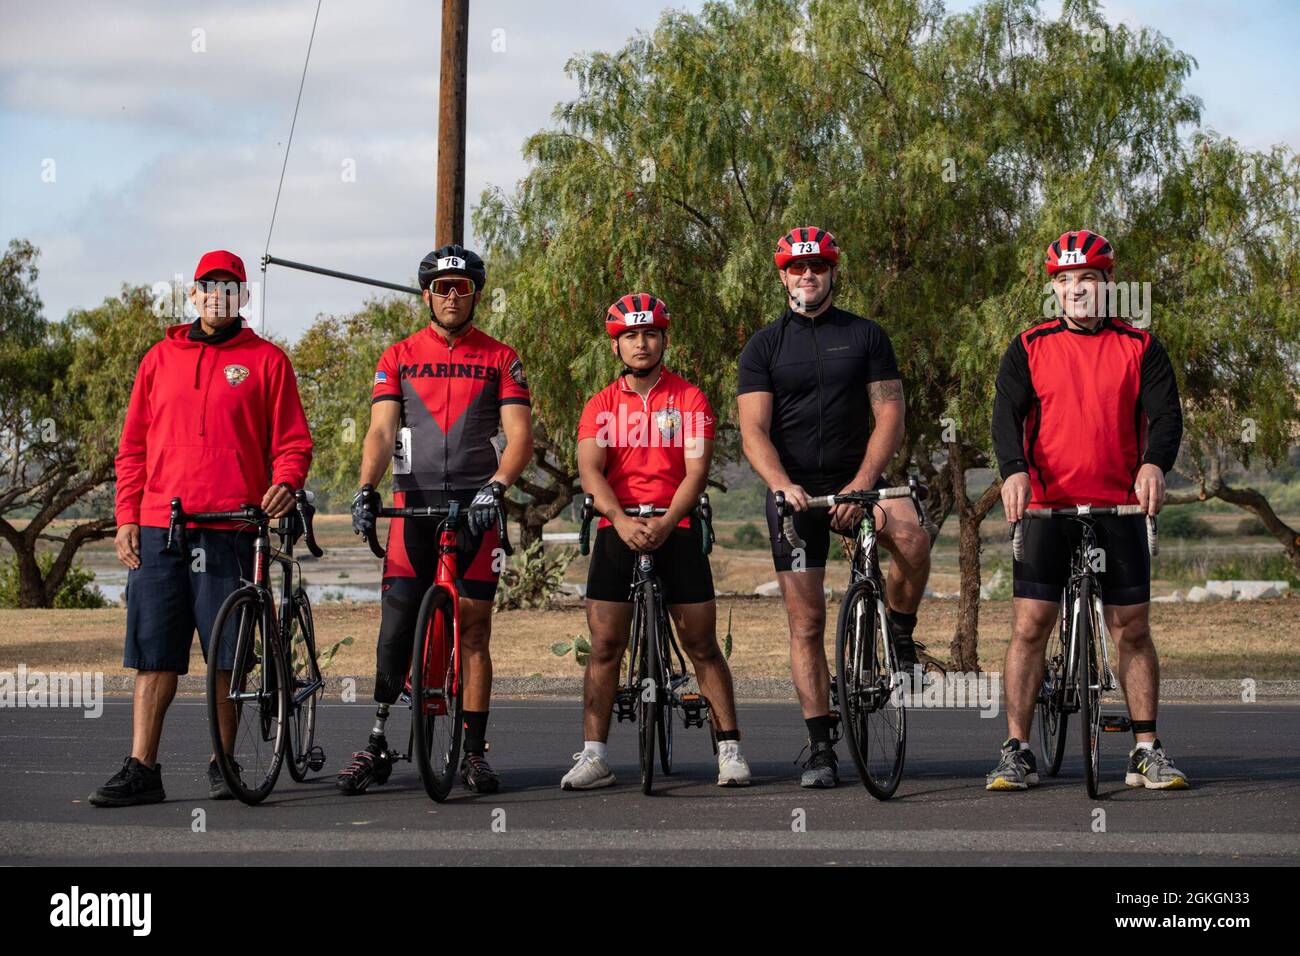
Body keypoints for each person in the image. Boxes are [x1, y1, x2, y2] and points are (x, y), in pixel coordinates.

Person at [92, 249, 313, 806]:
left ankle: (224, 762)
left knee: (227, 656)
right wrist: (126, 517)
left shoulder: (267, 361)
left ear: (243, 297)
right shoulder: (158, 359)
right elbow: (132, 449)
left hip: (232, 526)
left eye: (230, 287)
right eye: (208, 286)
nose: (218, 295)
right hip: (159, 527)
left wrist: (286, 480)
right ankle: (143, 769)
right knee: (153, 655)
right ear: (192, 294)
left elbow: (292, 442)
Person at [987, 229, 1188, 791]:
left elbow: (1165, 416)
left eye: (1089, 279)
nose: (1078, 289)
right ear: (1054, 289)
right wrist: (1014, 471)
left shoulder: (1141, 346)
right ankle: (1017, 748)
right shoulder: (1028, 346)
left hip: (1118, 507)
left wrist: (1153, 465)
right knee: (1030, 625)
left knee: (1132, 629)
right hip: (1047, 507)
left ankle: (1146, 750)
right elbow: (1006, 416)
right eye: (1066, 280)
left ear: (1108, 285)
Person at [736, 227, 930, 789]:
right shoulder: (764, 346)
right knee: (807, 623)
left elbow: (889, 415)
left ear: (833, 272)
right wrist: (781, 484)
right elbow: (753, 430)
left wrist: (862, 481)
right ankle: (821, 746)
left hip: (859, 482)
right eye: (796, 269)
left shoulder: (866, 335)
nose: (807, 275)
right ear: (782, 276)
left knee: (914, 538)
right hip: (796, 494)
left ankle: (898, 630)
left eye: (817, 266)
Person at [340, 245, 533, 795]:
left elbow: (520, 437)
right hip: (413, 510)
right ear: (426, 294)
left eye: (463, 286)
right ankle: (377, 740)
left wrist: (496, 489)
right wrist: (364, 489)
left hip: (477, 507)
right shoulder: (397, 355)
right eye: (442, 287)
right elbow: (380, 431)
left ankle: (472, 752)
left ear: (475, 293)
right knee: (396, 628)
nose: (452, 295)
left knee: (474, 630)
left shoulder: (501, 357)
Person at [562, 294, 750, 790]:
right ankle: (594, 755)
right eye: (630, 336)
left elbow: (696, 471)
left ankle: (729, 749)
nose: (641, 343)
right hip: (617, 528)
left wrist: (667, 521)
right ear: (617, 346)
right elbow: (590, 471)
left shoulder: (688, 398)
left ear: (664, 340)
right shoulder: (601, 404)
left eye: (649, 334)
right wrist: (621, 520)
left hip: (677, 525)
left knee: (702, 645)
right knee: (605, 646)